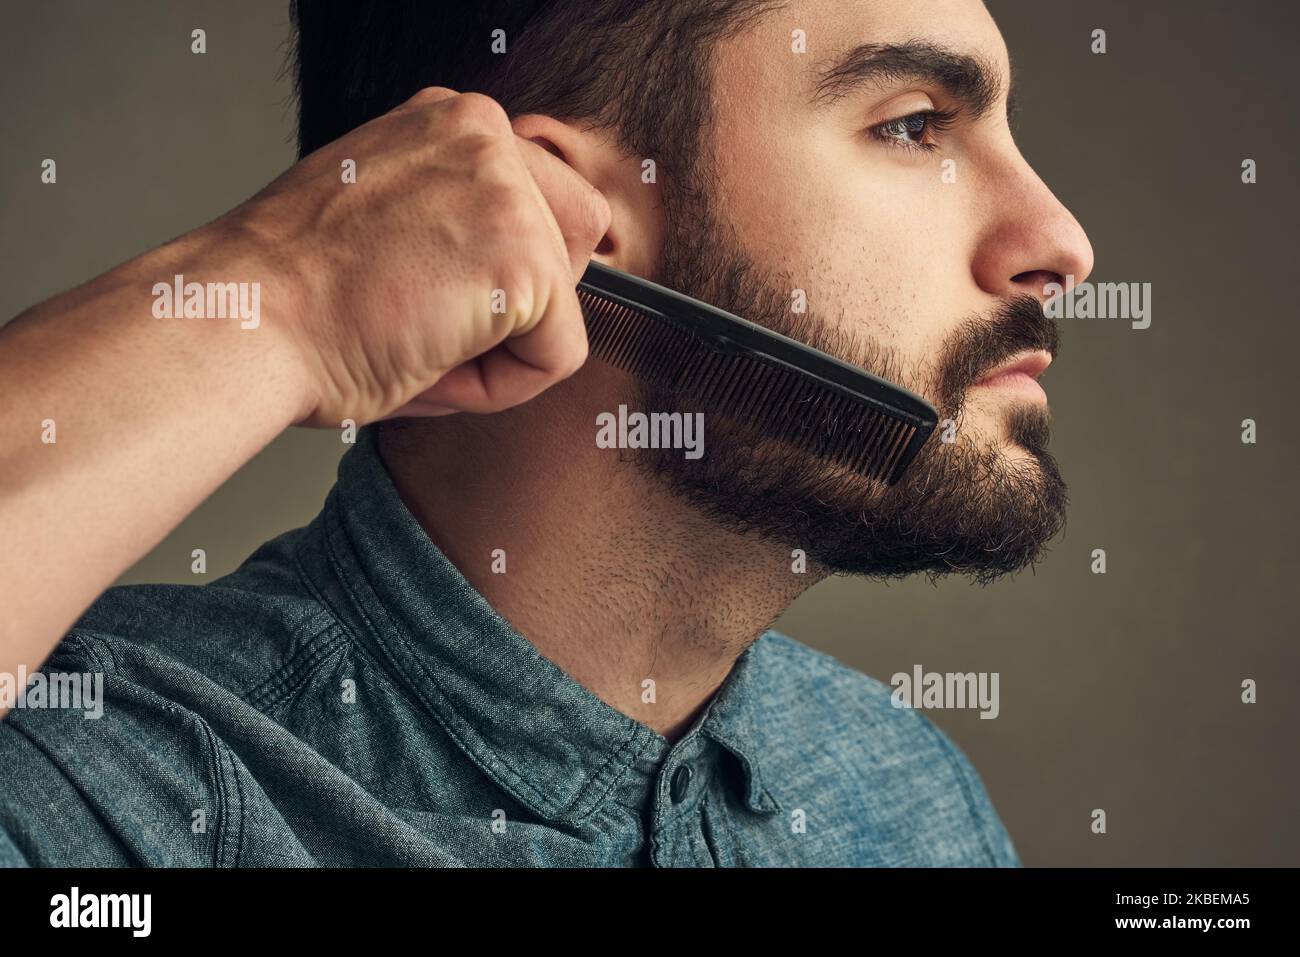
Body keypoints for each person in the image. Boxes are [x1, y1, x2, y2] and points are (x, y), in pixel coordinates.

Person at [0, 0, 1092, 866]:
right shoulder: (105, 785)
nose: (1058, 242)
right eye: (912, 127)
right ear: (568, 218)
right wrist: (276, 291)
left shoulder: (904, 791)